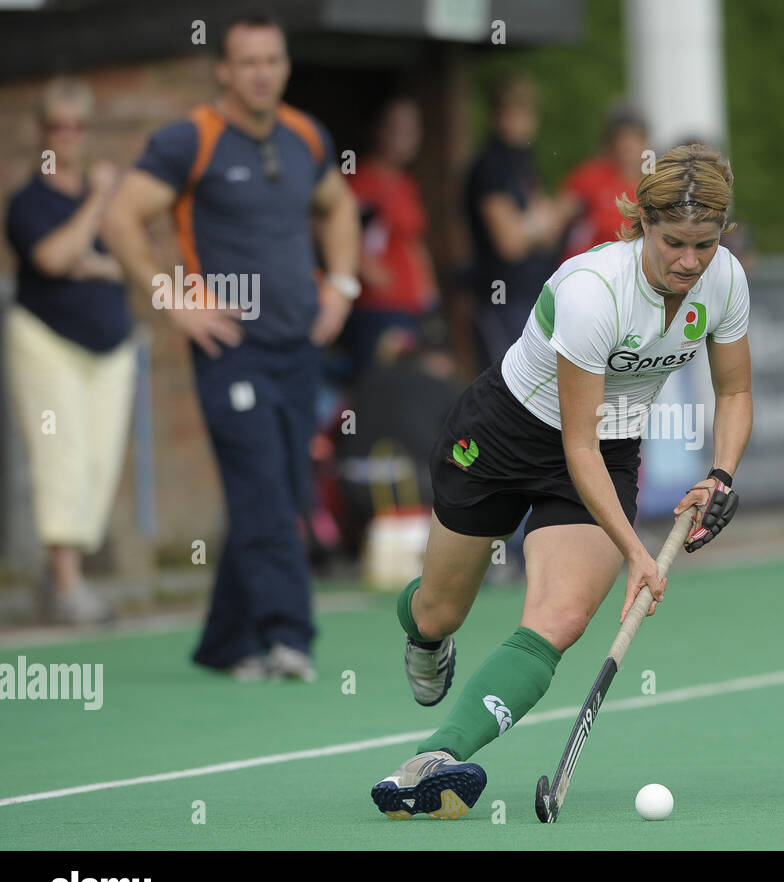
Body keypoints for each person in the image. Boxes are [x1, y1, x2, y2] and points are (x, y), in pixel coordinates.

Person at [371, 144, 753, 819]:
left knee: (562, 615)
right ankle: (425, 635)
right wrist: (637, 551)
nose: (690, 262)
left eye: (705, 243)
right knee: (439, 608)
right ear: (641, 222)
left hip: (608, 449)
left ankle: (438, 755)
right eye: (674, 243)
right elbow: (573, 441)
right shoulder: (592, 291)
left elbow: (736, 389)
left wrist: (720, 473)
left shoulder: (723, 280)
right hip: (503, 436)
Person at [103, 11, 360, 681]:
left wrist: (341, 286)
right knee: (262, 490)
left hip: (298, 345)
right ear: (224, 69)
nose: (261, 73)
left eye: (272, 60)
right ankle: (290, 637)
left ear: (285, 65)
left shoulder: (306, 135)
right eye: (248, 62)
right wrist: (171, 301)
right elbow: (121, 216)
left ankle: (224, 641)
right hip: (231, 349)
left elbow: (339, 207)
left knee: (290, 488)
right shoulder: (190, 139)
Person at [4, 77, 133, 625]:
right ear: (42, 131)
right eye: (58, 126)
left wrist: (95, 259)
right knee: (64, 457)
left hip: (112, 345)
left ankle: (57, 578)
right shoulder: (28, 200)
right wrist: (98, 201)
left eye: (78, 127)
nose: (68, 137)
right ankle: (68, 583)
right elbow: (54, 259)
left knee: (100, 464)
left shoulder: (110, 199)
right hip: (46, 341)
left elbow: (129, 262)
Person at [464, 72, 580, 372]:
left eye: (528, 112)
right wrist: (545, 220)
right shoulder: (492, 164)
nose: (523, 122)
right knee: (506, 385)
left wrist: (541, 222)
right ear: (500, 114)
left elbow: (550, 232)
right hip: (503, 297)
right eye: (515, 111)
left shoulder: (524, 162)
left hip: (535, 294)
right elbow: (510, 242)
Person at [339, 96, 441, 381]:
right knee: (381, 387)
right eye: (398, 129)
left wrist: (430, 296)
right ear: (380, 131)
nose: (406, 139)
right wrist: (366, 268)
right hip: (379, 308)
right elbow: (337, 231)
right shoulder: (362, 180)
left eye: (412, 130)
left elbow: (413, 242)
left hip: (412, 307)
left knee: (409, 390)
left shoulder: (407, 183)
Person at [559, 106, 648, 260]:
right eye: (622, 138)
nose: (628, 146)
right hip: (590, 266)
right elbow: (557, 218)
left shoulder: (652, 185)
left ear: (644, 142)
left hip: (631, 270)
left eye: (634, 138)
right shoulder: (591, 177)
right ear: (611, 143)